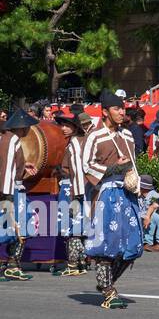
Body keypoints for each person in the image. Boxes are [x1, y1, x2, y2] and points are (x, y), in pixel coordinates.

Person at [83, 92, 144, 309]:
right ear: (105, 112)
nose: (122, 112)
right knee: (106, 244)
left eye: (123, 109)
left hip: (126, 193)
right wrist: (113, 168)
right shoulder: (95, 136)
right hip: (105, 193)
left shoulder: (128, 135)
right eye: (117, 109)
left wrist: (136, 184)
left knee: (133, 244)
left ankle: (106, 282)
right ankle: (108, 290)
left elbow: (133, 165)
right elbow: (87, 165)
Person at [0, 107, 40, 281]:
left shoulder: (7, 139)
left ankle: (12, 264)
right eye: (28, 127)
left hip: (12, 188)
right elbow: (7, 170)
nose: (29, 130)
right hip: (10, 191)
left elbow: (11, 167)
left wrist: (25, 167)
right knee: (18, 226)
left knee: (18, 227)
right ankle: (12, 264)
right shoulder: (12, 140)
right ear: (22, 127)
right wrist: (7, 198)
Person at [54, 111, 91, 277]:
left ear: (75, 128)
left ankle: (73, 264)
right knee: (79, 225)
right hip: (81, 187)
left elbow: (74, 171)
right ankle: (81, 262)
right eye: (62, 125)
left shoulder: (75, 144)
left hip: (72, 187)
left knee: (72, 226)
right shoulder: (82, 142)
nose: (63, 128)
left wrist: (59, 172)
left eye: (67, 125)